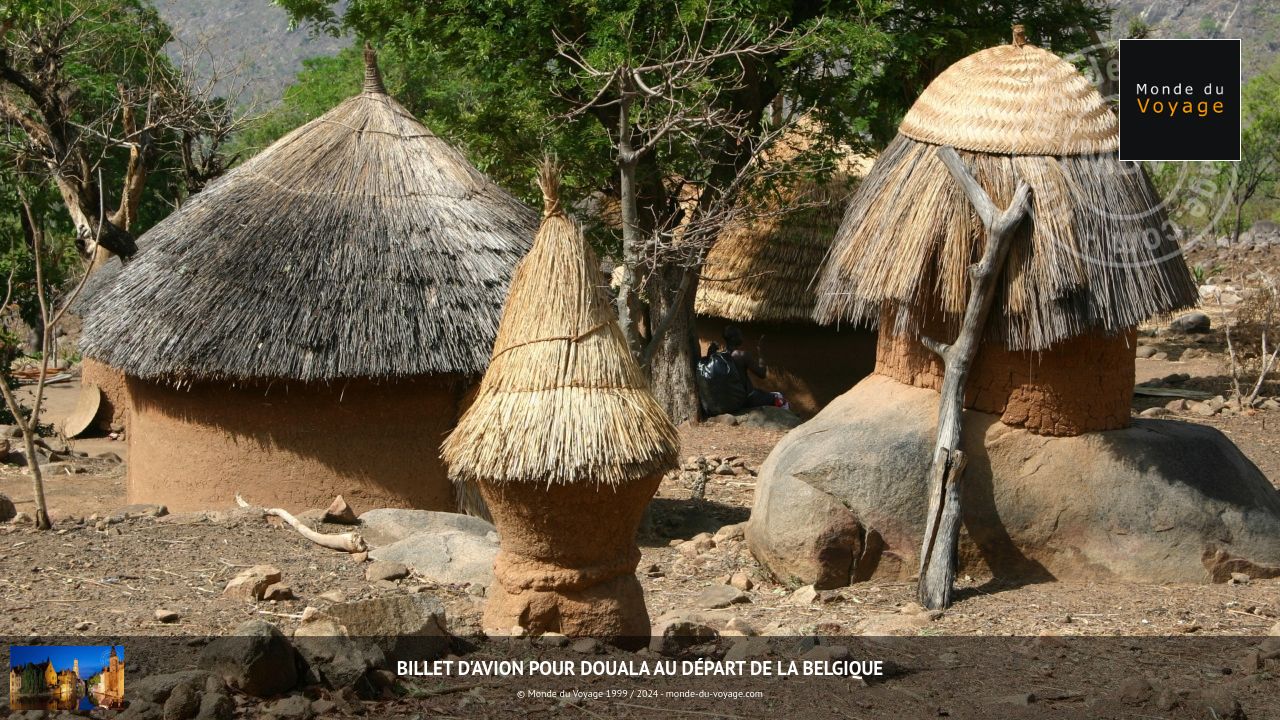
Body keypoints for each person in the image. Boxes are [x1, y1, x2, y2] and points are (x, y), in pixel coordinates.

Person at [721, 325, 787, 410]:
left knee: (761, 392)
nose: (742, 337)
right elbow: (762, 374)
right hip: (747, 399)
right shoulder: (742, 355)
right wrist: (761, 353)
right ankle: (791, 422)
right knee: (779, 397)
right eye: (739, 335)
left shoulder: (721, 355)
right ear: (733, 338)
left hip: (732, 399)